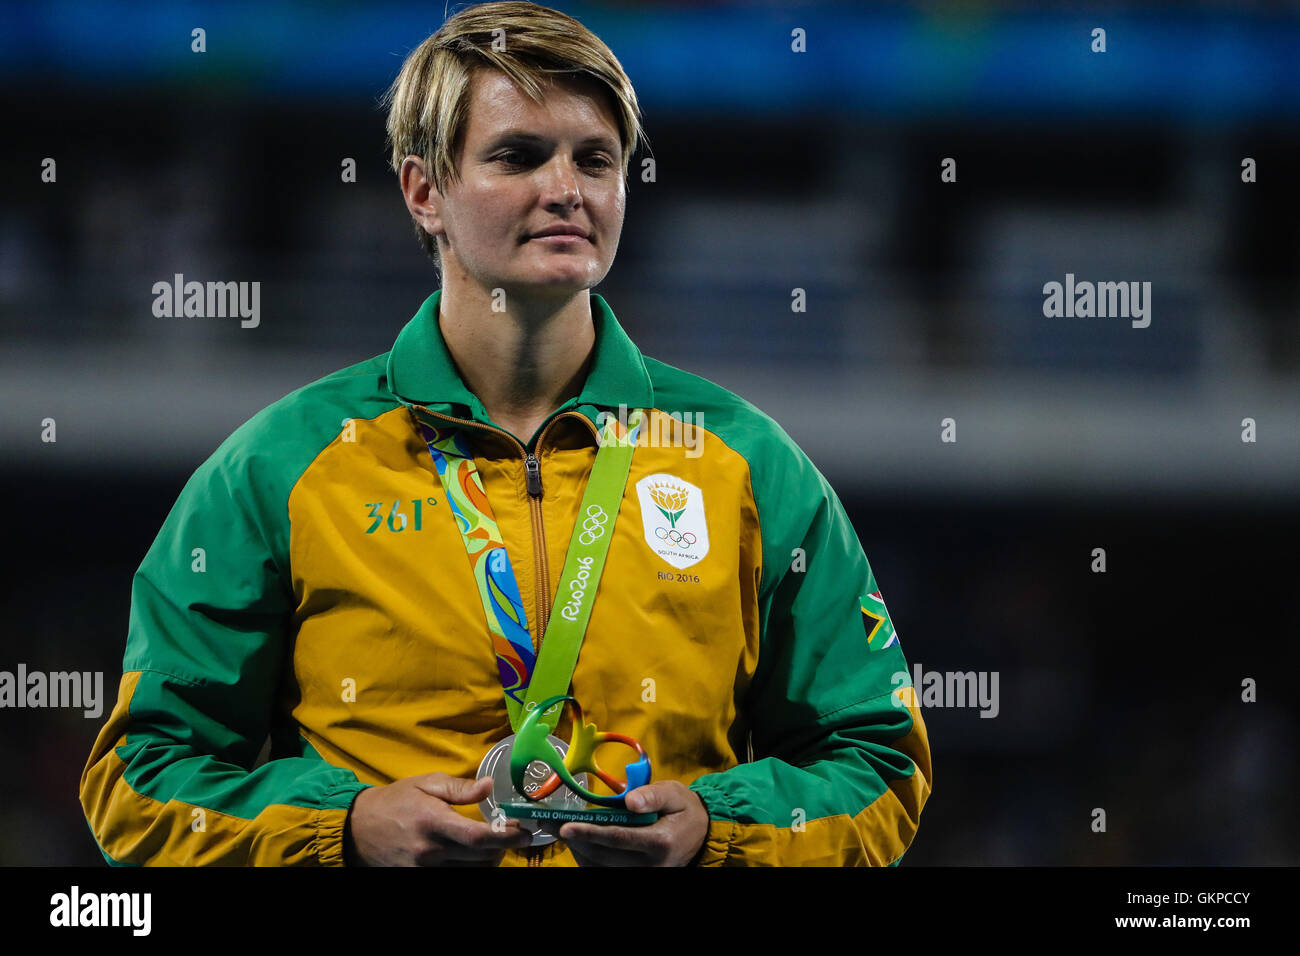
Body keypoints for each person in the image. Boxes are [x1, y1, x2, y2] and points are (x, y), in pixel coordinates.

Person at [79, 0, 932, 866]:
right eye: (518, 156)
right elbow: (142, 778)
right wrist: (345, 827)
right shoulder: (279, 467)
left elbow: (878, 761)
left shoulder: (750, 464)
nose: (567, 189)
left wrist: (722, 829)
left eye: (595, 159)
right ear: (424, 192)